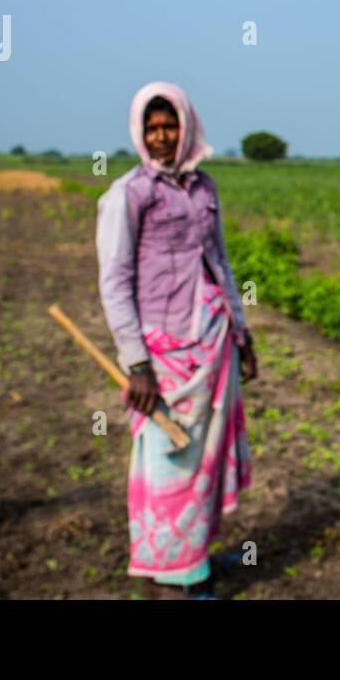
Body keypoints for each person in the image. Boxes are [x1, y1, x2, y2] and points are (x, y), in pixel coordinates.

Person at [95, 81, 257, 599]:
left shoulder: (204, 187)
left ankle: (198, 555)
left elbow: (221, 261)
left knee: (206, 457)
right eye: (153, 127)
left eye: (170, 126)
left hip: (213, 342)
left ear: (186, 127)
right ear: (140, 133)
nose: (162, 136)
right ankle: (170, 569)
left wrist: (242, 330)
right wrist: (135, 363)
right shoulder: (129, 194)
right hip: (162, 353)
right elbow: (115, 281)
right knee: (169, 457)